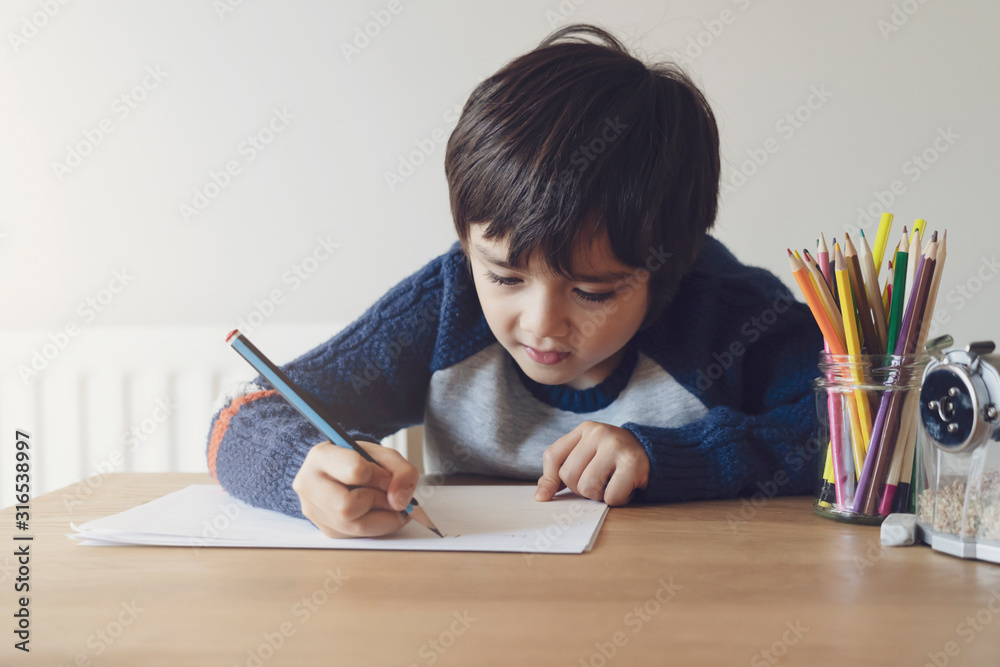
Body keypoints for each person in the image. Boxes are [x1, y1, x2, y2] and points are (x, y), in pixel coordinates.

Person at [205, 24, 824, 538]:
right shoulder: (446, 304)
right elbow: (243, 416)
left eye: (593, 292)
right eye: (503, 275)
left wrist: (673, 460)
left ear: (668, 266)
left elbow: (857, 429)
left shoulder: (731, 315)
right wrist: (306, 468)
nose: (540, 323)